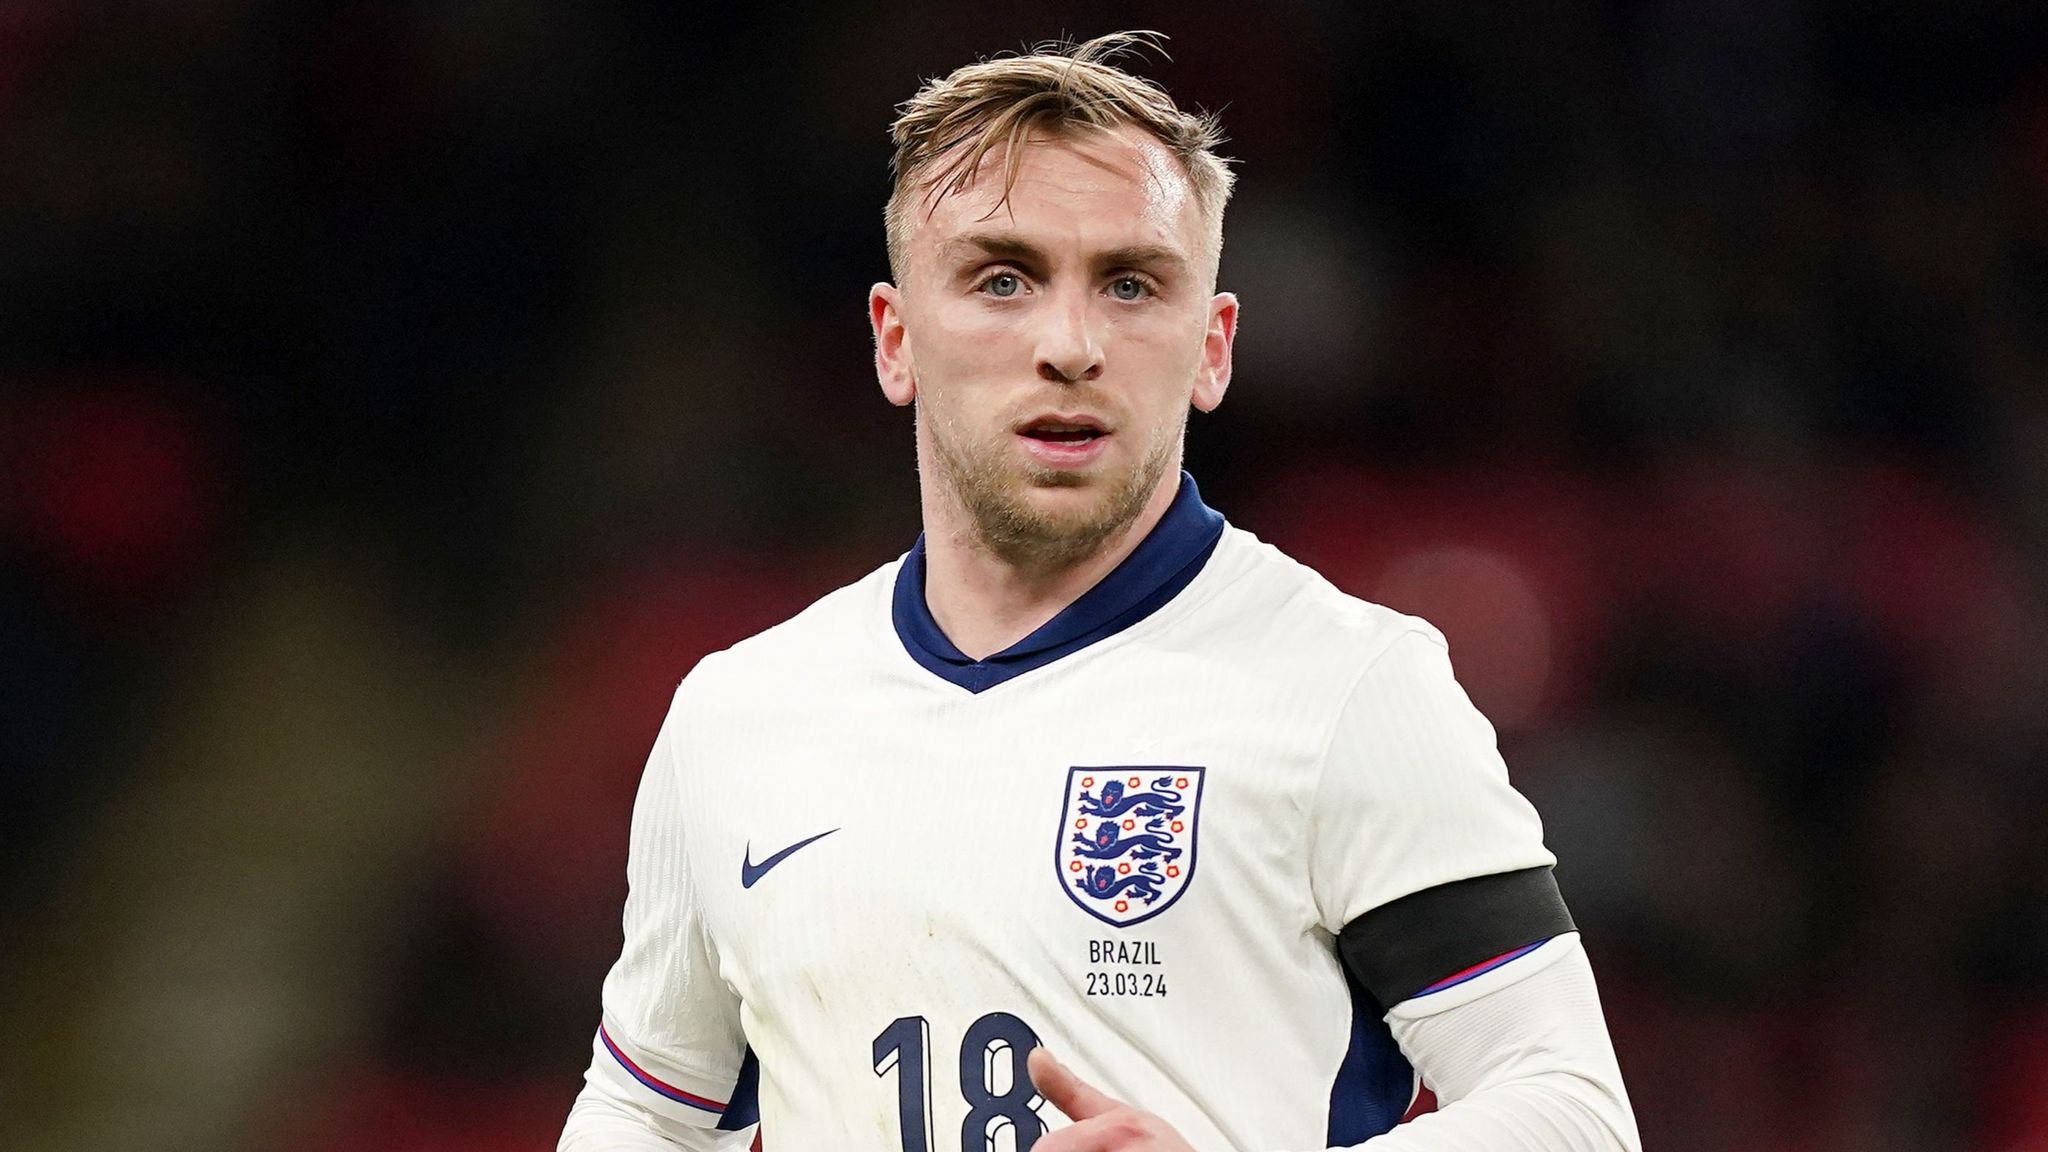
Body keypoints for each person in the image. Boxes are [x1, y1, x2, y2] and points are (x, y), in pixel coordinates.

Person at [558, 31, 1639, 1152]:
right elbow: (646, 1112)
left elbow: (1572, 1110)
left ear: (1212, 347)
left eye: (1129, 284)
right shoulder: (739, 717)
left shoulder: (1350, 687)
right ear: (895, 341)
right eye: (1001, 280)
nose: (1069, 345)